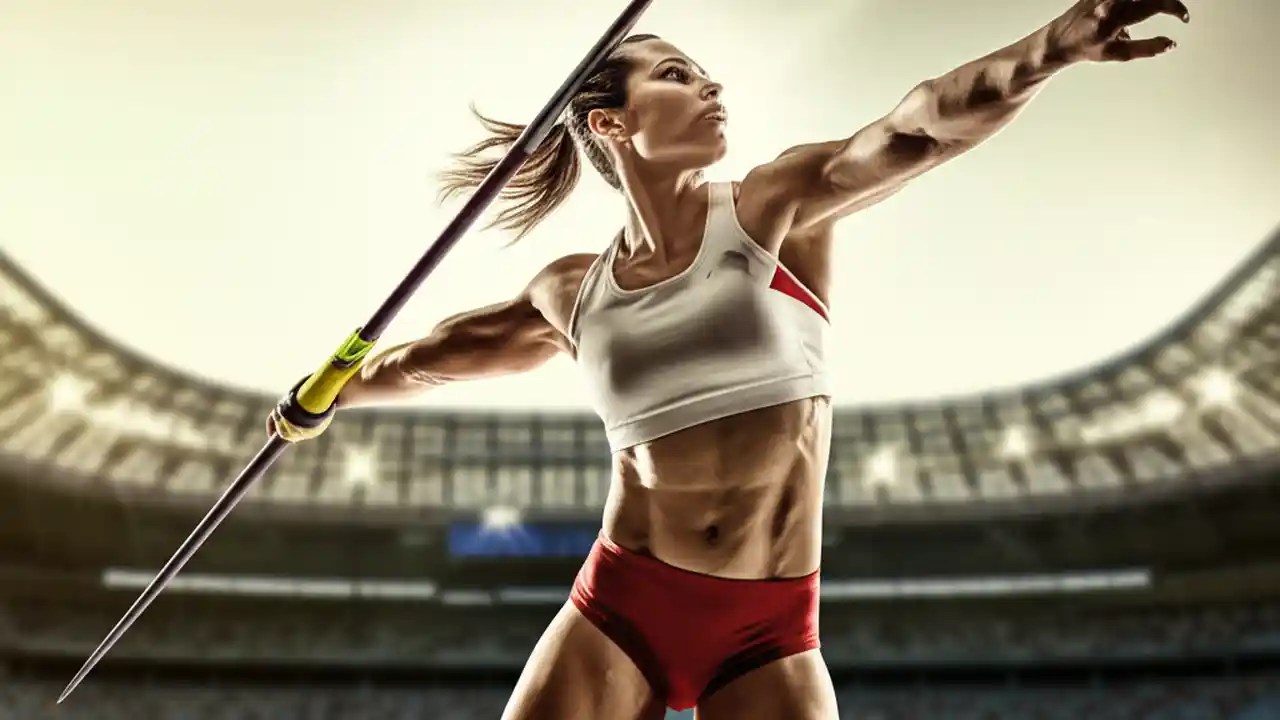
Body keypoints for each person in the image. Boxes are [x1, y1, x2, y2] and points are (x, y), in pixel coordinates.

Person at [267, 1, 1189, 717]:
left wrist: (1053, 47)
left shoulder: (771, 211)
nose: (712, 88)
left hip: (771, 625)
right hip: (617, 606)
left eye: (707, 74)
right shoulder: (572, 292)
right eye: (676, 75)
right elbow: (432, 358)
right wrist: (329, 395)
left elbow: (917, 130)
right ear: (611, 125)